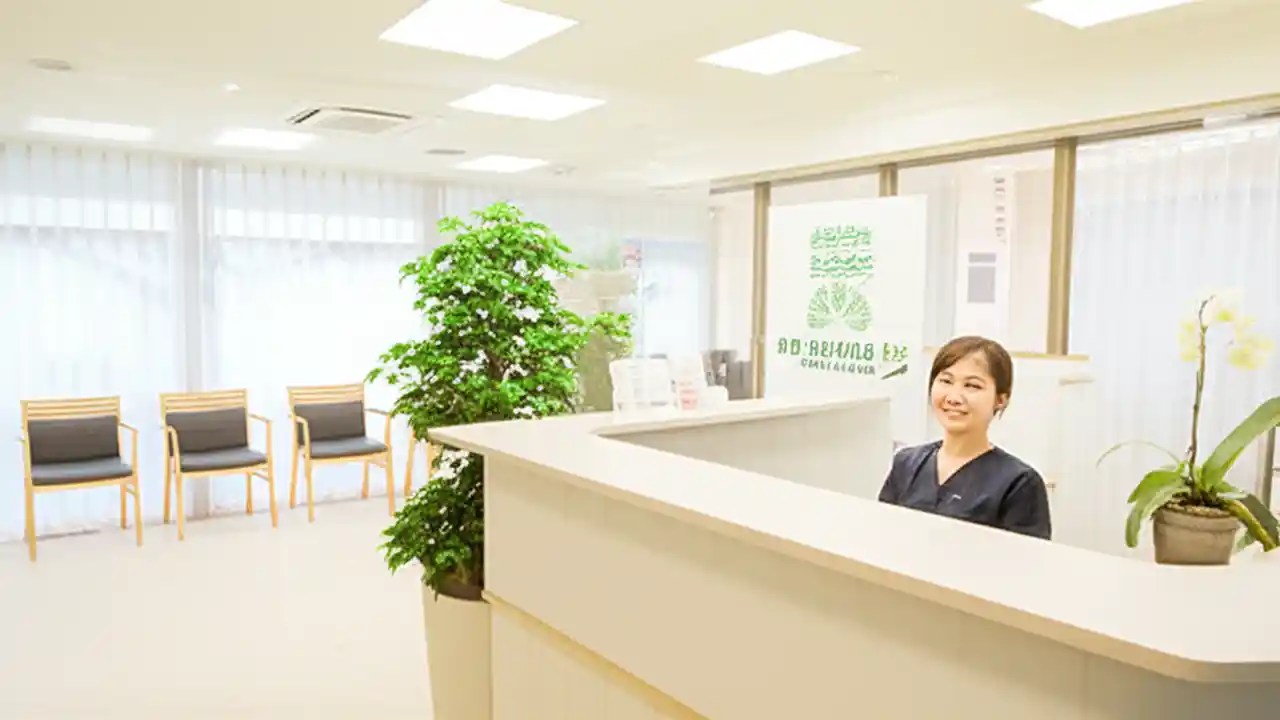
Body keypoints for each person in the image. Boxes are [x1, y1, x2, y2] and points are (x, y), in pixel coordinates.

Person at [878, 336, 1051, 540]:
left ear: (1001, 400)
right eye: (946, 381)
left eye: (972, 386)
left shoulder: (1019, 483)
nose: (954, 397)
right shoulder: (906, 463)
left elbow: (1026, 564)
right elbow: (882, 537)